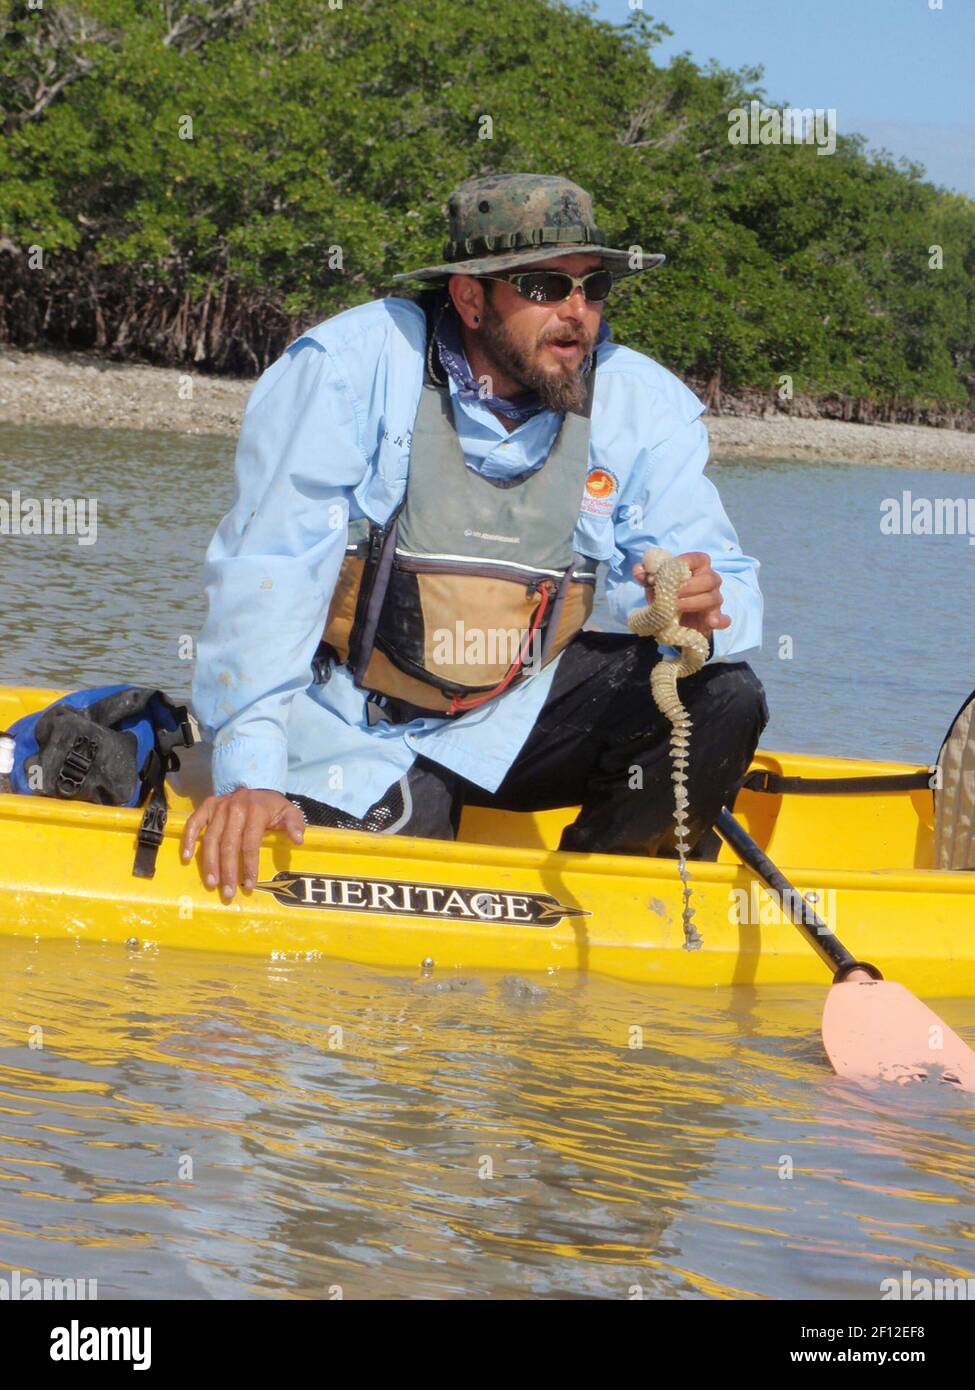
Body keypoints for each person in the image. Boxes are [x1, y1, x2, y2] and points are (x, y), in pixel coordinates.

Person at [182, 172, 768, 900]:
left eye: (593, 288)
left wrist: (701, 607)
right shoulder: (347, 369)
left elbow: (728, 584)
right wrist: (249, 779)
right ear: (467, 296)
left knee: (724, 695)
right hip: (356, 720)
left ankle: (606, 898)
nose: (576, 313)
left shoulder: (642, 403)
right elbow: (267, 576)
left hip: (518, 710)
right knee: (406, 846)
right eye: (544, 286)